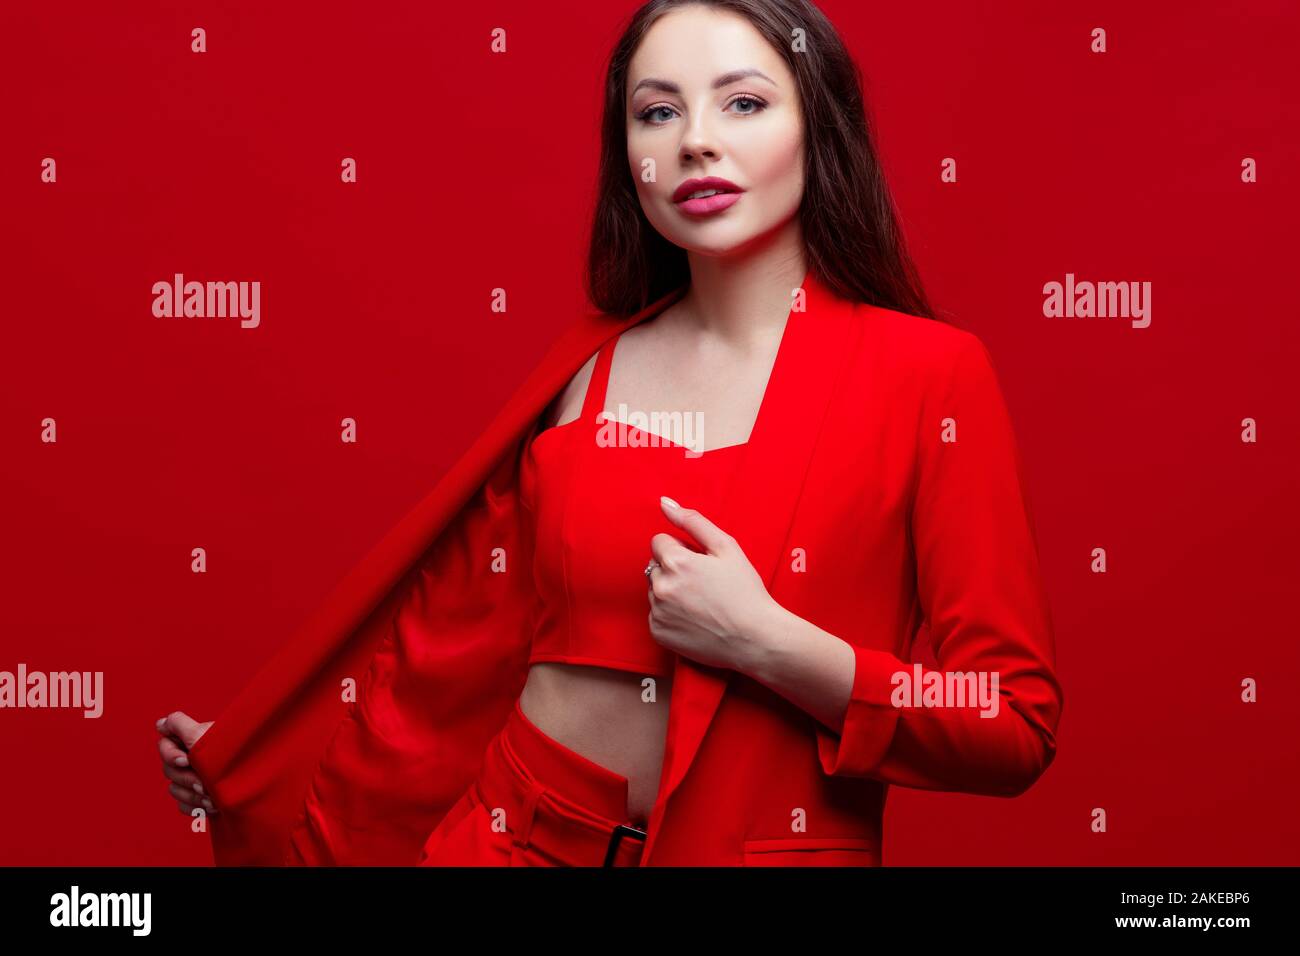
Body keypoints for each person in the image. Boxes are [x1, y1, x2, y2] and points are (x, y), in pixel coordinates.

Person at [157, 0, 1063, 866]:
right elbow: (452, 654)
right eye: (655, 112)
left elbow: (1012, 722)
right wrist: (263, 763)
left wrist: (771, 645)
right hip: (507, 842)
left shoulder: (929, 376)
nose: (695, 139)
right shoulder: (585, 366)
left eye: (743, 102)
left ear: (819, 125)